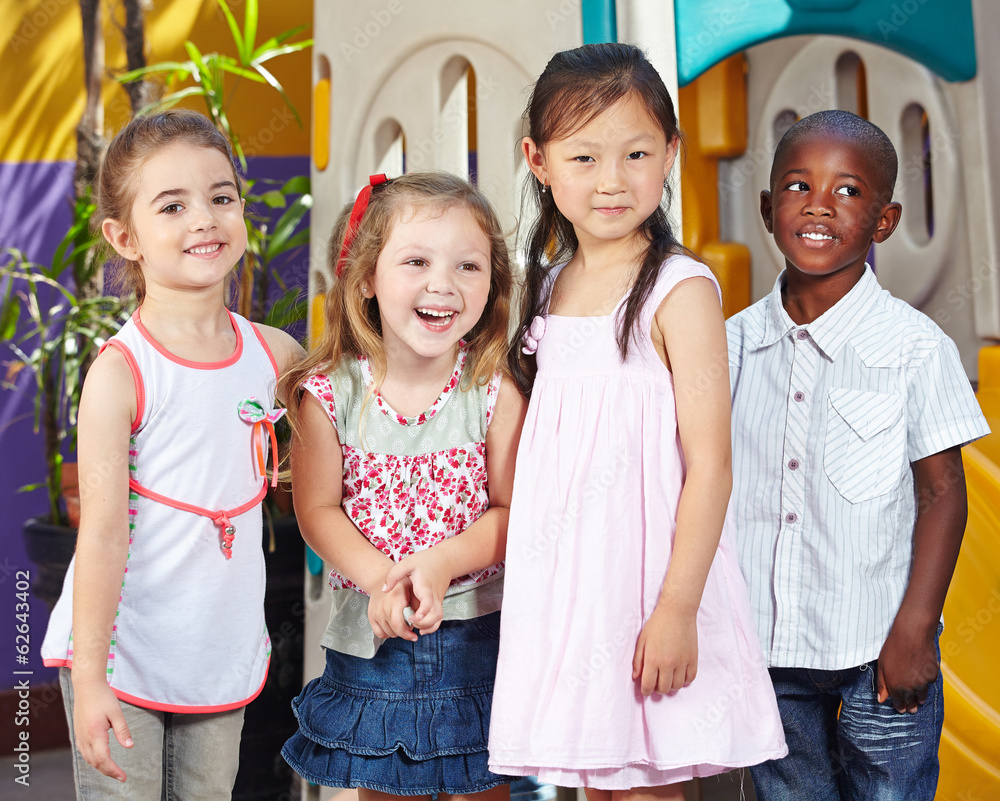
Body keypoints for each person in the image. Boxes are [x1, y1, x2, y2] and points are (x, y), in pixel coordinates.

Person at [488, 42, 787, 801]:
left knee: (644, 784)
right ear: (539, 160)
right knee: (599, 780)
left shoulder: (680, 289)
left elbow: (712, 462)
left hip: (653, 584)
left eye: (636, 153)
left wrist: (678, 607)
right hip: (574, 589)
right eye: (584, 157)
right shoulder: (548, 287)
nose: (612, 180)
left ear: (671, 155)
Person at [727, 109, 990, 801]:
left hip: (878, 648)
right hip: (766, 650)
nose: (818, 204)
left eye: (847, 190)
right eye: (796, 185)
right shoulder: (727, 346)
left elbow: (942, 496)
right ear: (766, 208)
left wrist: (914, 629)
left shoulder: (913, 345)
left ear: (884, 219)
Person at [40, 109, 304, 799]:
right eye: (173, 205)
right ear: (125, 237)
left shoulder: (275, 354)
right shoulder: (121, 374)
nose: (205, 219)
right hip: (121, 650)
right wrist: (91, 676)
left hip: (217, 649)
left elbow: (332, 433)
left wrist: (300, 461)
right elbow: (99, 535)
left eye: (221, 197)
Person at [279, 172, 526, 800]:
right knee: (387, 787)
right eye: (416, 260)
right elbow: (316, 509)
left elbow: (510, 511)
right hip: (373, 637)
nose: (442, 283)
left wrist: (440, 567)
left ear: (492, 282)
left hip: (478, 635)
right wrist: (382, 581)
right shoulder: (329, 394)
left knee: (482, 786)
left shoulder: (494, 391)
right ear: (366, 278)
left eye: (468, 265)